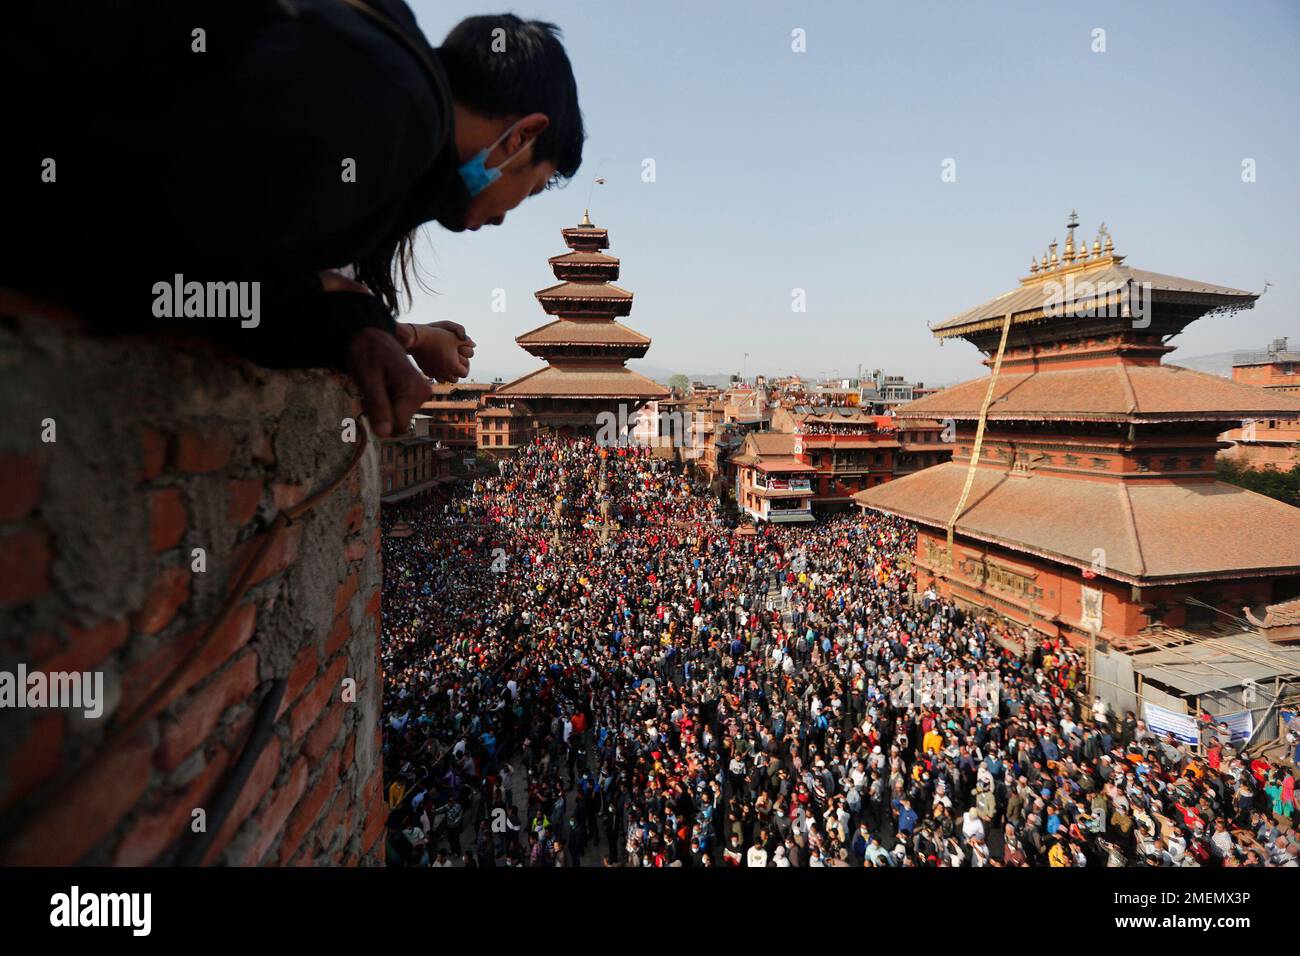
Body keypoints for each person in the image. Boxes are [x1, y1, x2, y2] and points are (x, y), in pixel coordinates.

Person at [4, 3, 584, 438]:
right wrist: (345, 315)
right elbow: (158, 267)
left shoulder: (385, 79)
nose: (506, 219)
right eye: (528, 190)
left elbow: (227, 263)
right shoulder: (389, 113)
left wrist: (356, 320)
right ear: (522, 135)